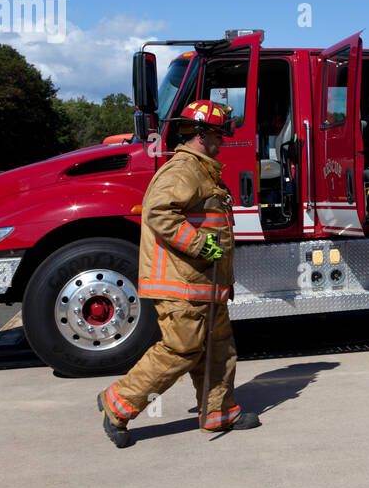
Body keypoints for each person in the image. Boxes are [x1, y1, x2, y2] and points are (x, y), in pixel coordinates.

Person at [96, 99, 260, 447]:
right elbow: (159, 213)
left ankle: (218, 412)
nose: (222, 143)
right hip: (182, 285)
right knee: (181, 350)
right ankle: (119, 403)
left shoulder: (202, 170)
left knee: (218, 349)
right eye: (218, 136)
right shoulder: (183, 169)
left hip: (205, 285)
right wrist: (202, 245)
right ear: (202, 135)